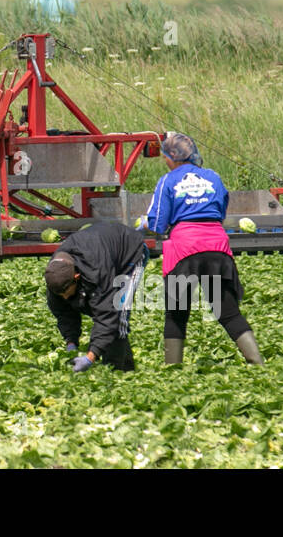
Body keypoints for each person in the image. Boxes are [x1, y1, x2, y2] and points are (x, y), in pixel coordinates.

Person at [145, 132, 263, 366]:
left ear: (172, 157)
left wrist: (145, 223)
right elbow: (220, 211)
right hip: (217, 248)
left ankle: (172, 371)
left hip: (184, 250)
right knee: (228, 312)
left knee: (177, 314)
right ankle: (258, 364)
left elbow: (157, 223)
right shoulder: (213, 177)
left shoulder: (167, 181)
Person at [44, 221, 149, 372]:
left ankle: (117, 371)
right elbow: (63, 312)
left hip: (129, 253)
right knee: (84, 306)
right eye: (60, 295)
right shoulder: (55, 275)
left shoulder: (96, 270)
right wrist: (71, 341)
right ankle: (126, 369)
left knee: (119, 314)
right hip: (104, 250)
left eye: (67, 292)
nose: (65, 297)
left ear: (77, 277)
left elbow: (107, 314)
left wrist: (90, 358)